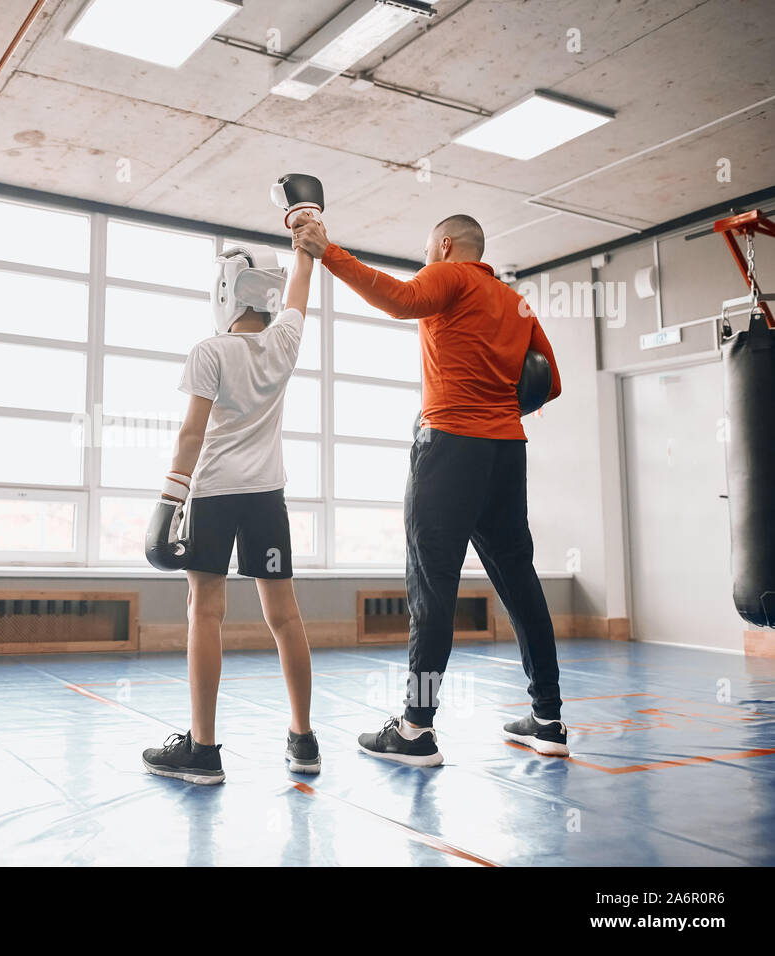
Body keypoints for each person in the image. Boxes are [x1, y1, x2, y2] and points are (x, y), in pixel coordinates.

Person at [293, 213, 566, 766]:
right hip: (507, 451)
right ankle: (549, 719)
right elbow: (550, 383)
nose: (425, 261)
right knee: (520, 581)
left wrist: (329, 252)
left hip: (450, 449)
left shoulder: (452, 276)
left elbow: (397, 299)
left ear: (444, 246)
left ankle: (416, 729)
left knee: (431, 586)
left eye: (425, 251)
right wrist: (493, 408)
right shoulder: (515, 301)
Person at [141, 238, 319, 785]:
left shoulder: (210, 351)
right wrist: (306, 242)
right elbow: (301, 286)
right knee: (285, 616)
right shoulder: (284, 342)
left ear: (225, 292)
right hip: (267, 496)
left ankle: (203, 750)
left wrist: (168, 501)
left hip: (215, 494)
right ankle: (304, 740)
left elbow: (191, 434)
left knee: (204, 613)